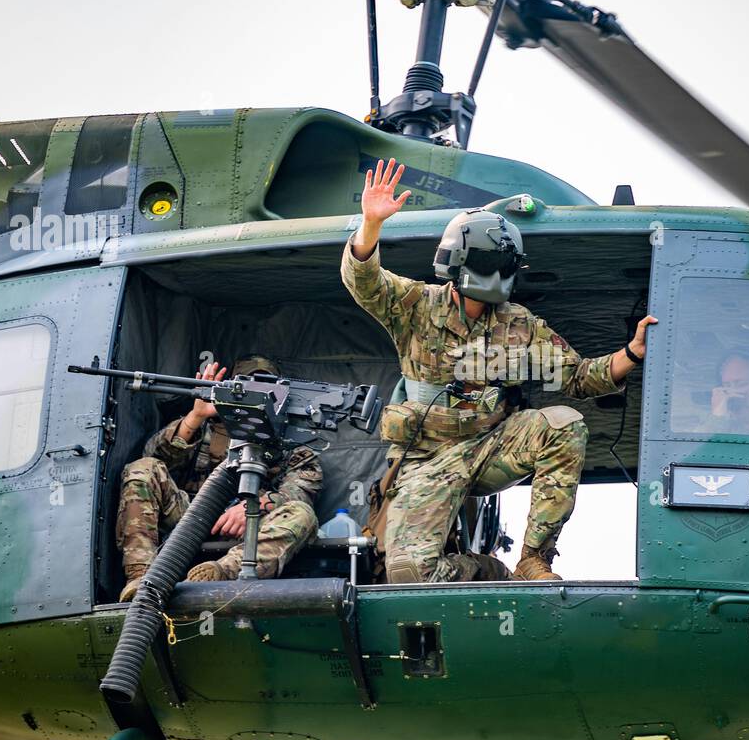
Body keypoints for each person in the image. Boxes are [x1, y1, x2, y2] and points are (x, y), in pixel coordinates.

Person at [342, 158, 657, 583]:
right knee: (410, 574)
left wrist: (631, 353)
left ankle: (533, 558)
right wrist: (371, 224)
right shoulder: (416, 305)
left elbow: (580, 378)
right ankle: (491, 571)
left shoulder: (519, 325)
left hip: (491, 446)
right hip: (428, 458)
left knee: (564, 424)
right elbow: (364, 280)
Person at [115, 354, 323, 600]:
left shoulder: (294, 444)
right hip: (192, 517)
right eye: (246, 387)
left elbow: (301, 492)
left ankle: (223, 572)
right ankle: (143, 577)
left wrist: (254, 506)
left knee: (302, 514)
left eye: (263, 388)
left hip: (252, 527)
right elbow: (154, 457)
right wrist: (197, 416)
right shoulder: (205, 429)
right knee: (144, 468)